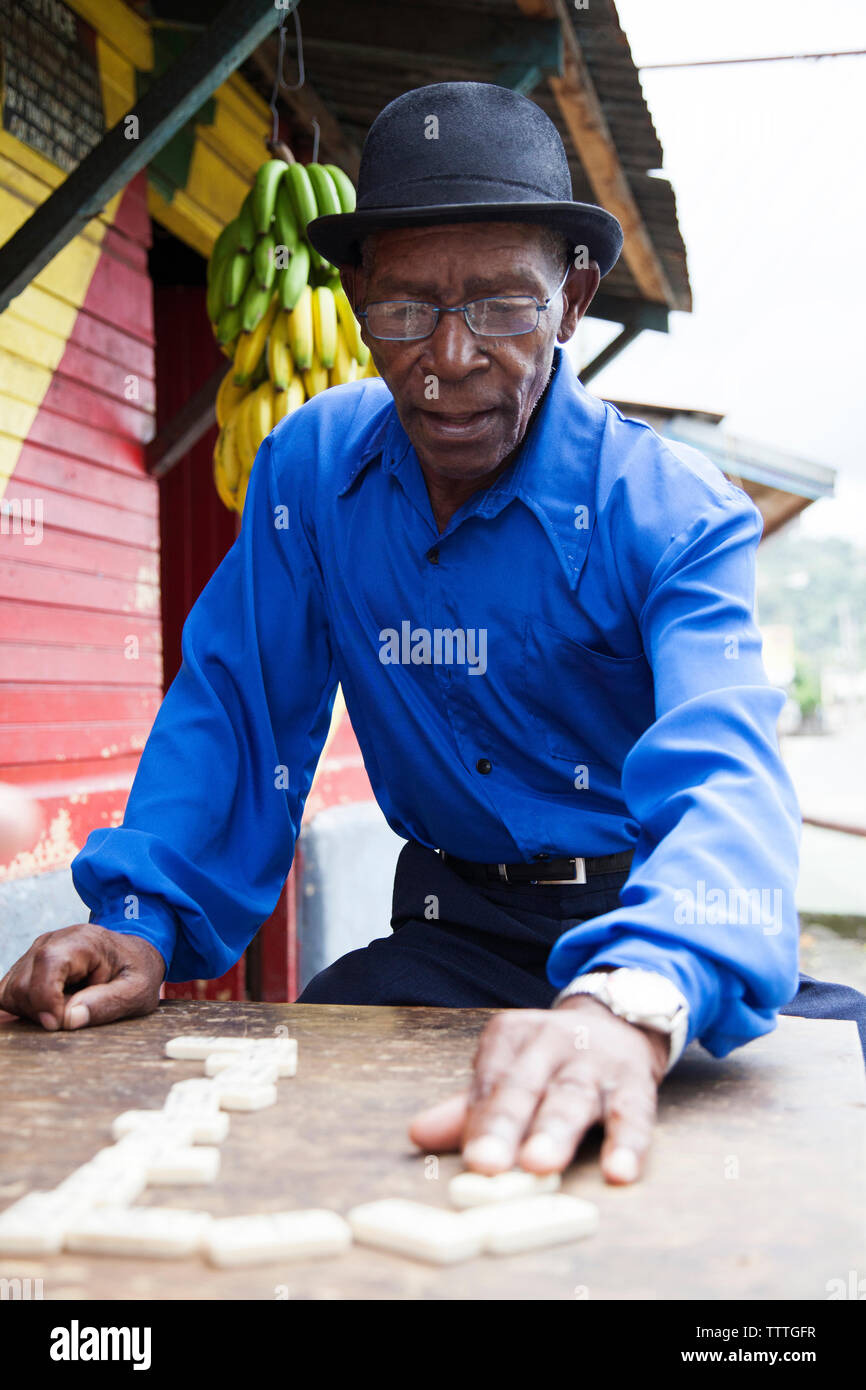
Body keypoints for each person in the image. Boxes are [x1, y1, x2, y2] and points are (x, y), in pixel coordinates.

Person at [2, 83, 863, 1187]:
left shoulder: (671, 510)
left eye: (504, 306)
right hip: (451, 932)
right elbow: (237, 705)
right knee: (313, 1095)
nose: (447, 357)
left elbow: (723, 775)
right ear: (356, 295)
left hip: (653, 920)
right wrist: (139, 918)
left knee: (819, 1109)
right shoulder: (311, 473)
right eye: (405, 308)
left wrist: (629, 1001)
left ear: (572, 297)